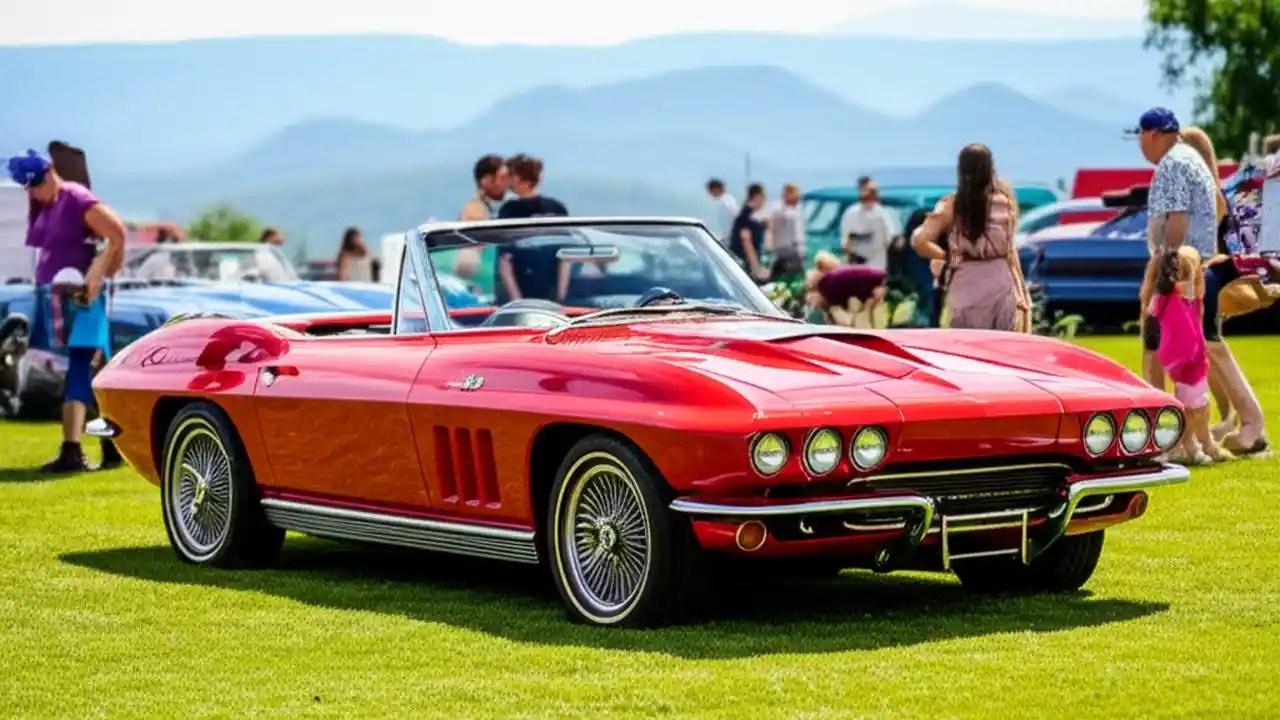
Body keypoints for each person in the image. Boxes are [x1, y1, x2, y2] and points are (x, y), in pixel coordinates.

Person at [8, 149, 126, 473]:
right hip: (62, 296)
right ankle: (112, 446)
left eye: (34, 185)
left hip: (81, 298)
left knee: (81, 364)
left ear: (48, 174)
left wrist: (98, 273)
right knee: (96, 369)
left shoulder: (76, 198)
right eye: (26, 188)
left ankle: (73, 450)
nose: (31, 192)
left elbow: (116, 234)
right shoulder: (47, 203)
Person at [1172, 124, 1269, 453]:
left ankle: (1251, 423)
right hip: (1207, 280)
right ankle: (1235, 423)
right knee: (1209, 352)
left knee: (1213, 350)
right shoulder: (1213, 192)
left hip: (1203, 281)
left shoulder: (1201, 194)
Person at [911, 143, 1029, 331]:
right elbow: (1010, 253)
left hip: (966, 282)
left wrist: (944, 256)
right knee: (1002, 350)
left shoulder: (952, 204)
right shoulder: (1005, 201)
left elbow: (919, 240)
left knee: (968, 350)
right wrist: (1023, 295)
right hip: (1001, 281)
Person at [1147, 246, 1232, 464]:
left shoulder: (1177, 300)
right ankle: (1201, 446)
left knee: (1191, 408)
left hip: (1189, 364)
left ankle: (1188, 446)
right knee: (1196, 409)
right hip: (1189, 365)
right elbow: (1184, 334)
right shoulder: (1177, 301)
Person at [494, 154, 568, 303]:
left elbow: (505, 260)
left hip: (522, 283)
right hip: (550, 288)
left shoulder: (509, 211)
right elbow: (565, 258)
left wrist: (516, 300)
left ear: (518, 178)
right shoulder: (557, 208)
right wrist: (562, 297)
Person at [839, 181, 901, 271]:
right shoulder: (850, 214)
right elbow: (846, 243)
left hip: (877, 267)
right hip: (855, 267)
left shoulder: (883, 214)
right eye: (870, 191)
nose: (873, 194)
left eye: (875, 191)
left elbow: (891, 238)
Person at [730, 183, 769, 282]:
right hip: (743, 262)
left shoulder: (751, 214)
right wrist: (755, 268)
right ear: (756, 196)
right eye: (763, 196)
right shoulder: (748, 214)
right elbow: (746, 239)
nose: (765, 199)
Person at [767, 183, 806, 273]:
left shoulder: (795, 211)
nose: (798, 198)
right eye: (796, 195)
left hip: (795, 253)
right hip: (785, 252)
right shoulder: (778, 210)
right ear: (789, 194)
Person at [460, 154, 509, 221]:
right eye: (502, 177)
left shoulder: (516, 202)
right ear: (486, 180)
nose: (508, 181)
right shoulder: (473, 211)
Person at [705, 178, 740, 248]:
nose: (709, 194)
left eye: (710, 191)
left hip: (732, 240)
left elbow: (737, 217)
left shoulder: (726, 201)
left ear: (716, 189)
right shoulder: (722, 201)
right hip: (727, 239)